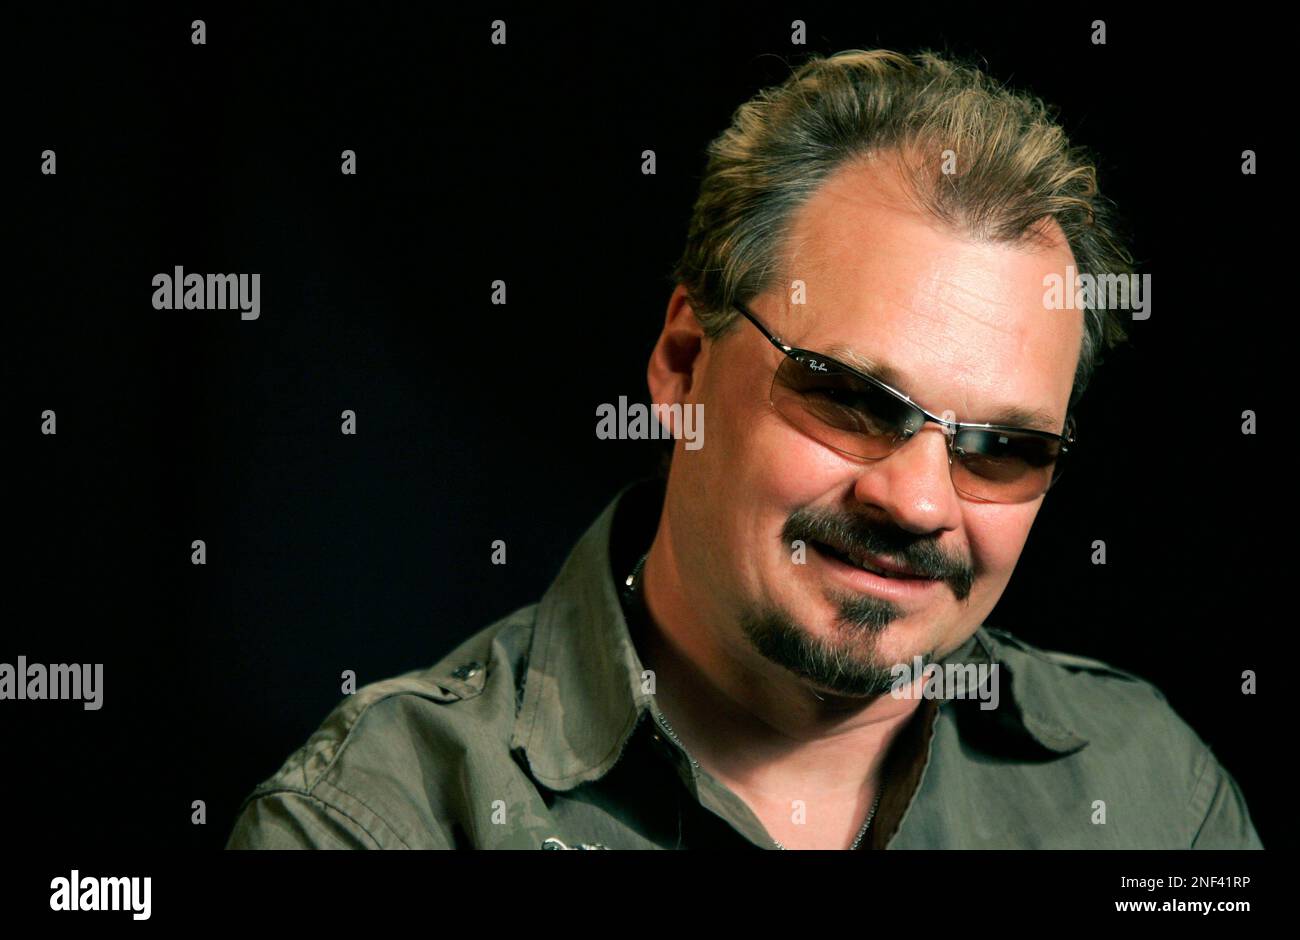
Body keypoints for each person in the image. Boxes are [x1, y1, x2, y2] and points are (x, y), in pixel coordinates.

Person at [226, 49, 1262, 849]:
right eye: (852, 399)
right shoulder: (380, 822)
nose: (914, 503)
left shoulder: (1149, 792)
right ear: (681, 365)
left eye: (1000, 449)